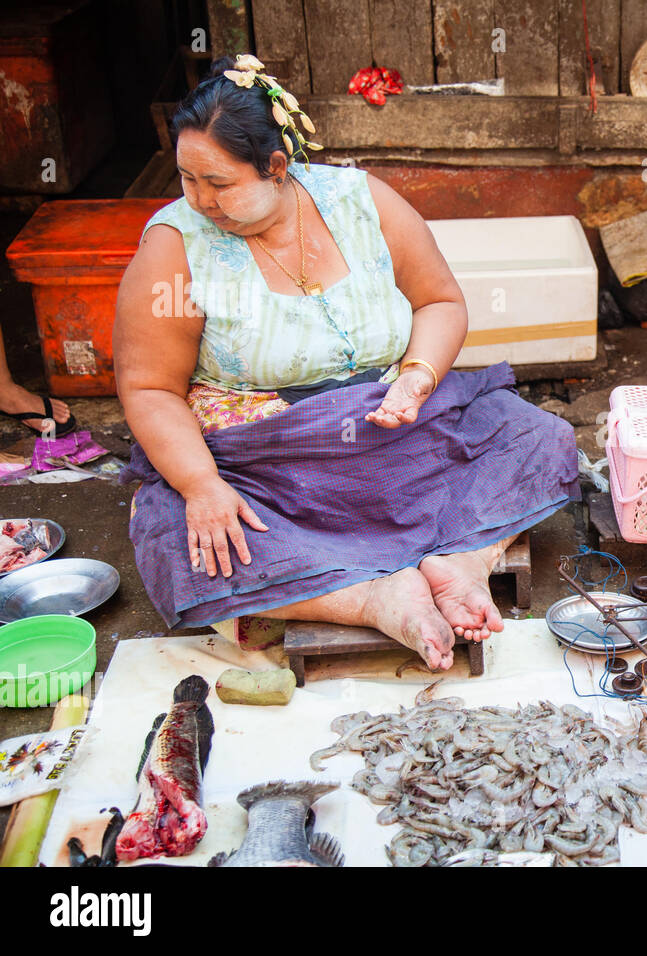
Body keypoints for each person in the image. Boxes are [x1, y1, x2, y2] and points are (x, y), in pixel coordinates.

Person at [116, 55, 579, 669]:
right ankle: (372, 597)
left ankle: (462, 563)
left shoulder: (363, 203)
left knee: (541, 438)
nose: (200, 200)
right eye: (187, 179)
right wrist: (202, 486)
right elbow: (149, 388)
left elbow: (439, 301)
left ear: (277, 167)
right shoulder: (175, 247)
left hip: (396, 429)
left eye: (219, 184)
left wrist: (417, 375)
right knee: (179, 536)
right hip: (269, 460)